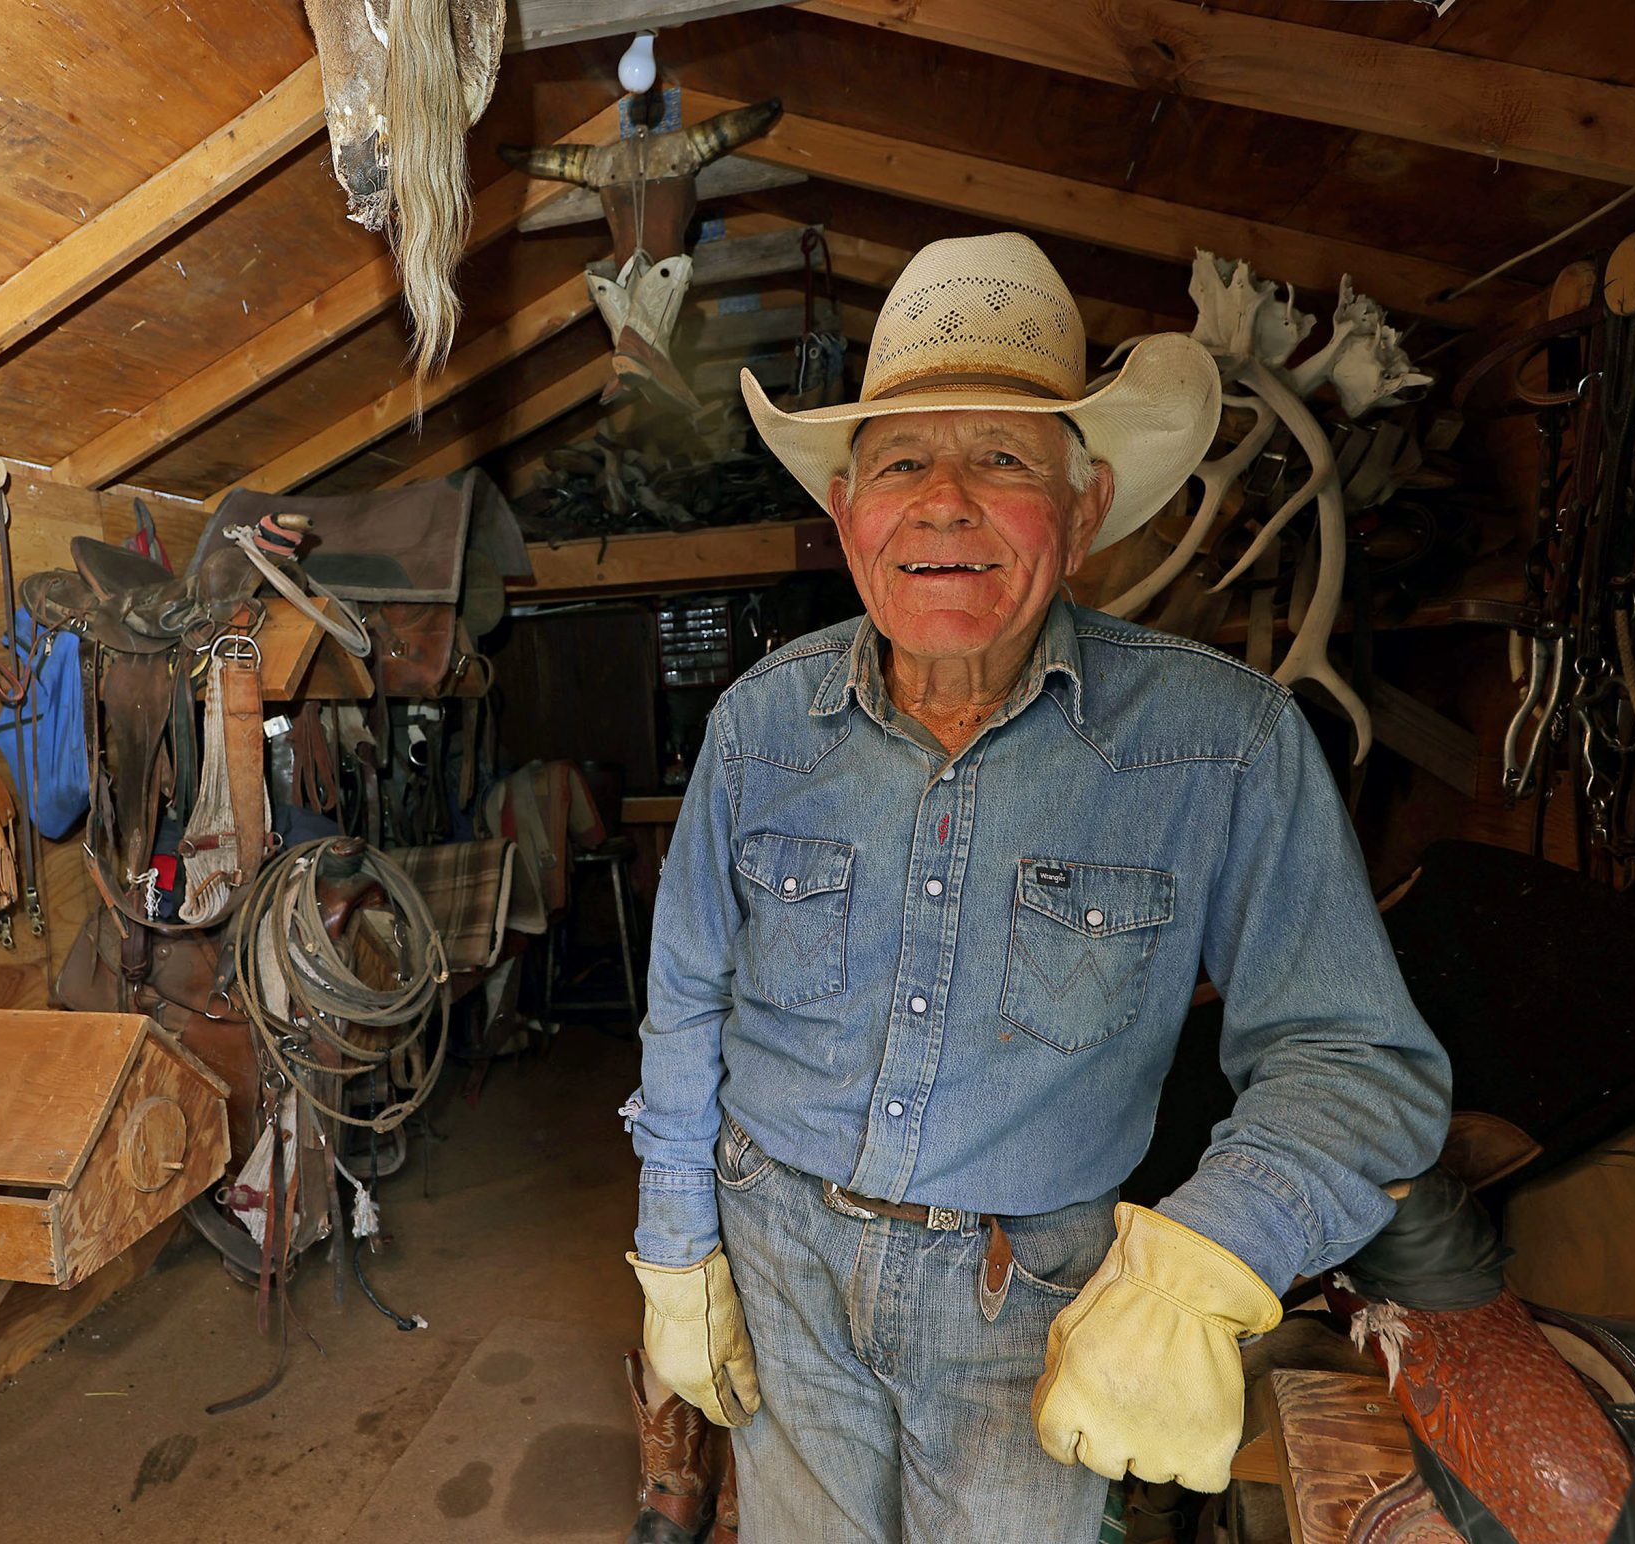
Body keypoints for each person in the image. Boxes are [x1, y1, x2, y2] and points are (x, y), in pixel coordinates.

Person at [622, 232, 1451, 1542]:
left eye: (1002, 457)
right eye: (900, 461)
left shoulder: (1220, 743)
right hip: (776, 1247)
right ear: (848, 513)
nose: (943, 500)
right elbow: (686, 996)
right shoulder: (759, 726)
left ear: (1083, 502)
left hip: (1031, 1288)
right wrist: (676, 1241)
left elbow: (1353, 1054)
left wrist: (1210, 1256)